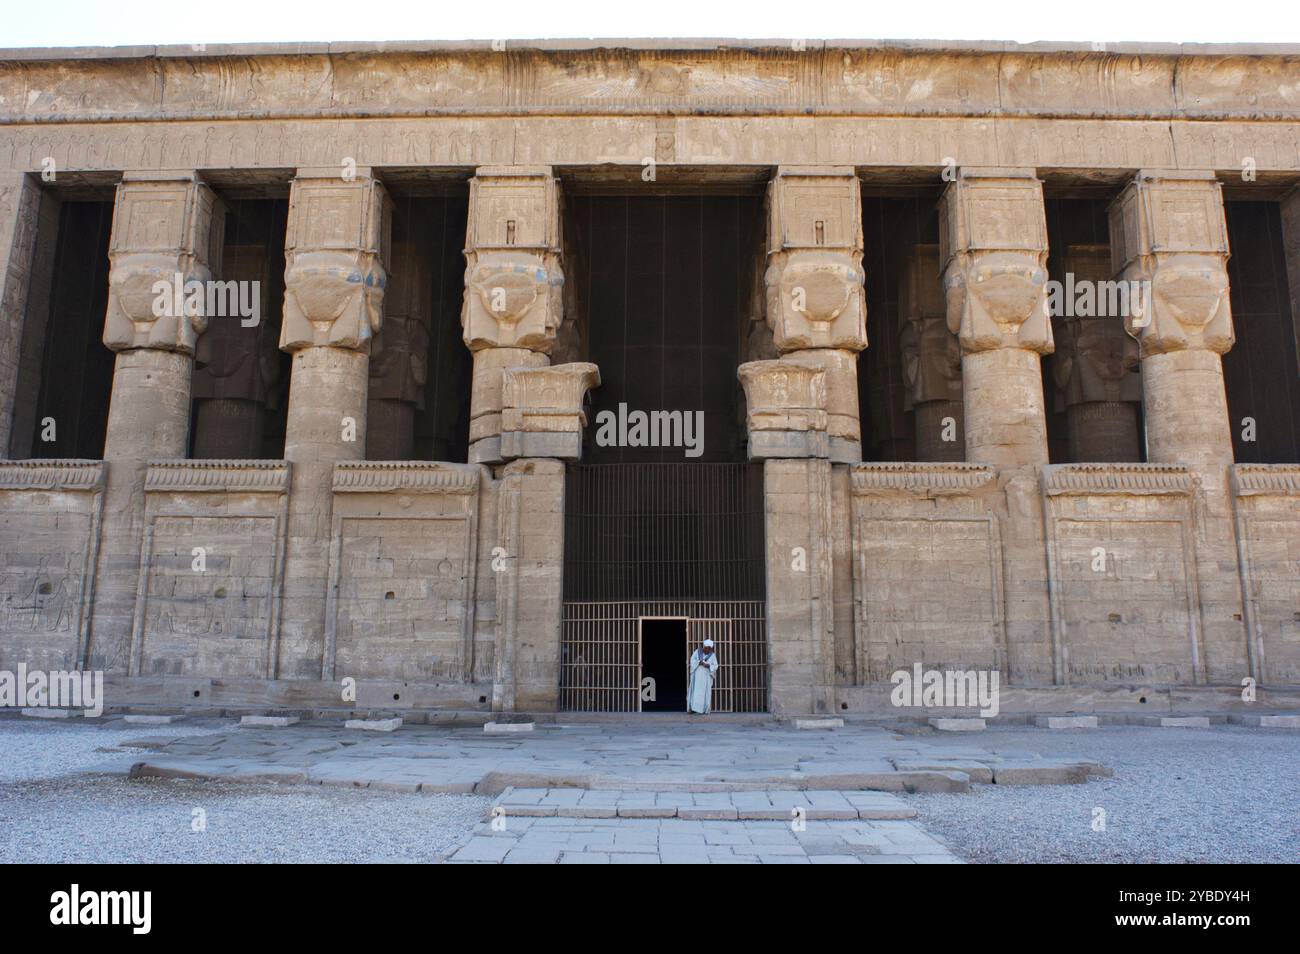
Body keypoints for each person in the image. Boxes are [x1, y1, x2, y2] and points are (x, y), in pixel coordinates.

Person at [687, 638, 719, 714]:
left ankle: (704, 710)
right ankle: (693, 709)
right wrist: (699, 662)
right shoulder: (697, 652)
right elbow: (692, 660)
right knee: (695, 693)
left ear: (710, 648)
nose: (705, 649)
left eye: (707, 648)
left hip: (706, 678)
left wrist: (708, 665)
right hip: (697, 677)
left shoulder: (712, 655)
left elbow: (716, 665)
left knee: (705, 694)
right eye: (704, 647)